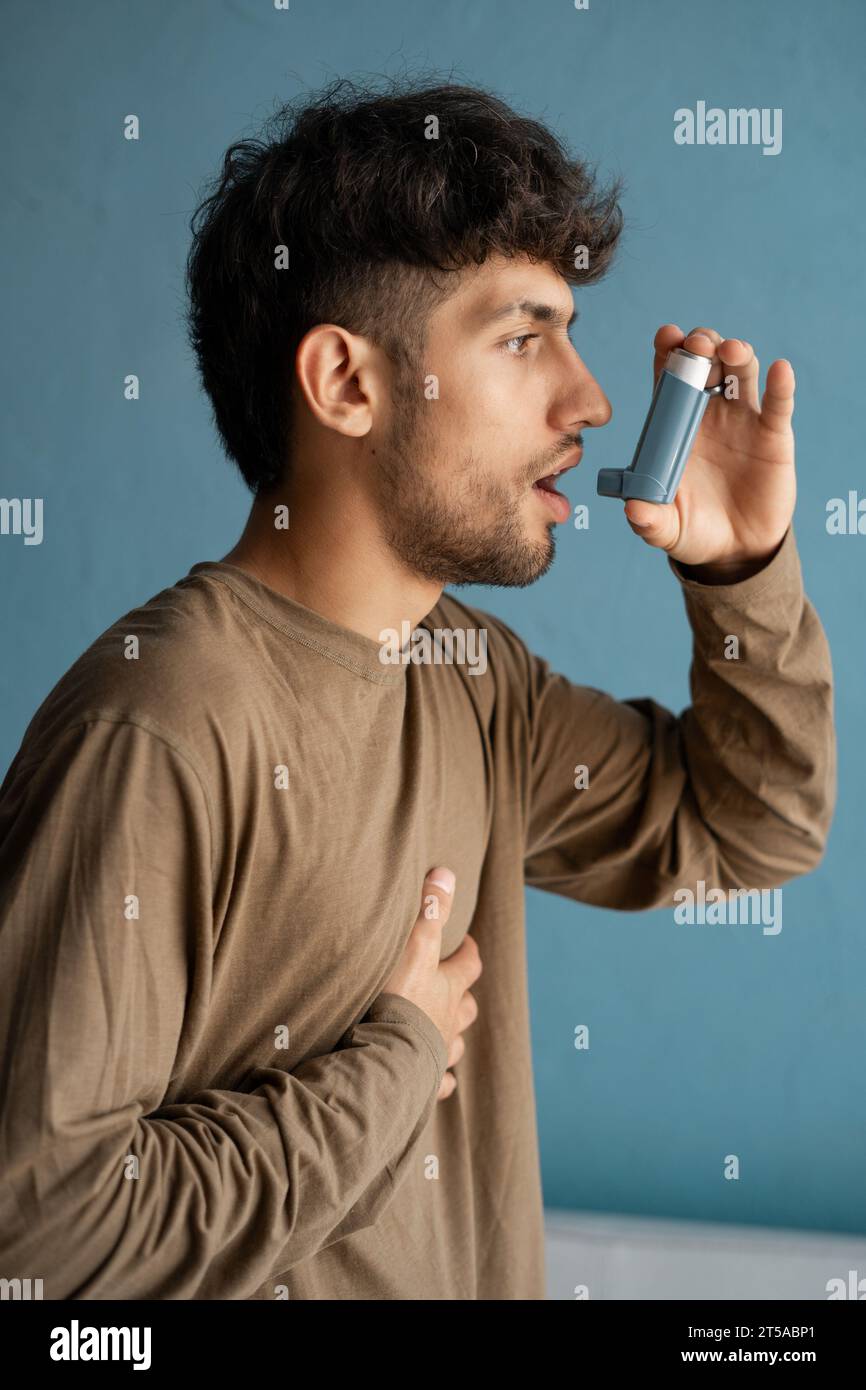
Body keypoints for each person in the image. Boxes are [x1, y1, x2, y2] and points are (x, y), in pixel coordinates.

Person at [0, 77, 835, 1300]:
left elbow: (748, 827)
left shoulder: (471, 677)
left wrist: (741, 570)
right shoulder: (159, 725)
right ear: (345, 384)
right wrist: (389, 1068)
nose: (589, 401)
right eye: (519, 337)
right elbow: (40, 1238)